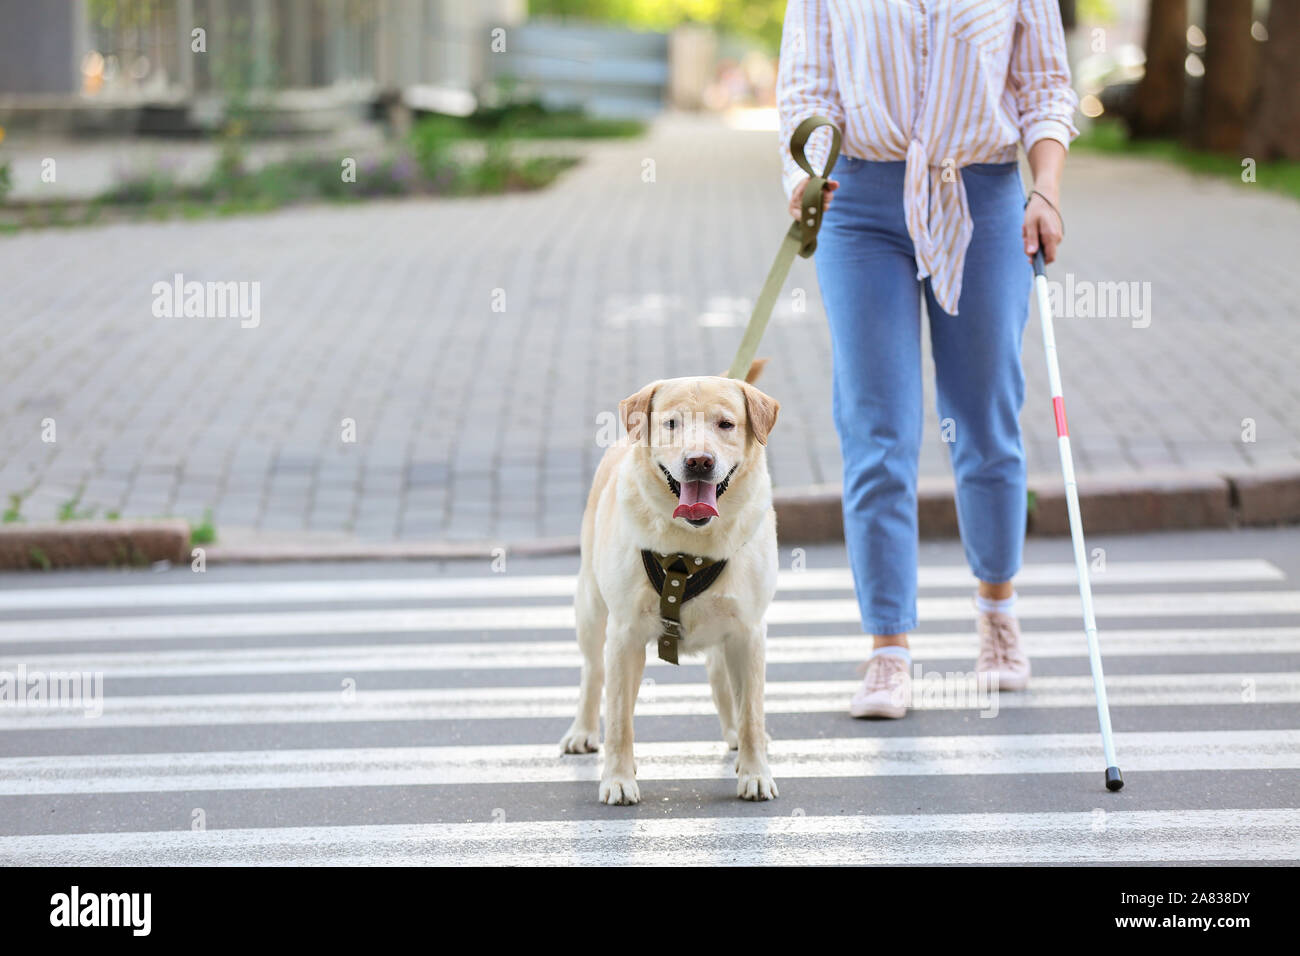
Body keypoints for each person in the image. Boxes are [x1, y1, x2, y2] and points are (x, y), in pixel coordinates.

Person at [776, 0, 1078, 718]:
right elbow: (807, 87)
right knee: (877, 427)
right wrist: (807, 173)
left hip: (983, 191)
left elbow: (1045, 88)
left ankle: (997, 613)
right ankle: (888, 650)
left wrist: (1046, 193)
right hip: (859, 199)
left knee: (985, 416)